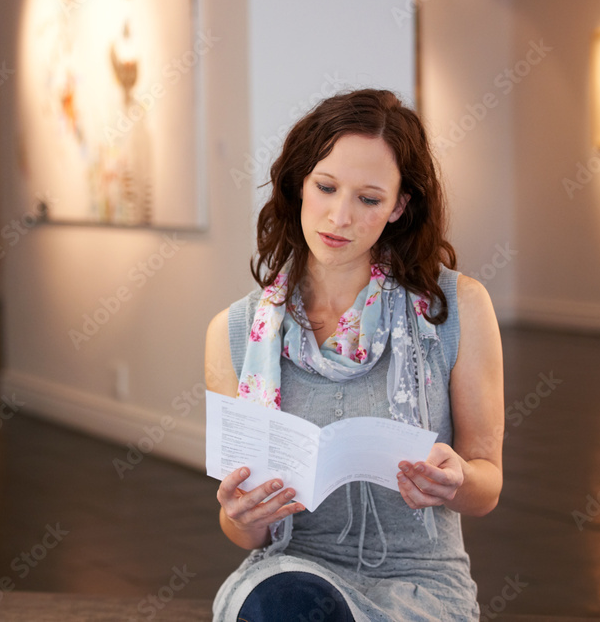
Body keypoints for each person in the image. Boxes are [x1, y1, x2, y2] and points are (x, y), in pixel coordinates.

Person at [206, 89, 503, 621]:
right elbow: (242, 534)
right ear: (300, 183)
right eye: (325, 187)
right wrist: (241, 513)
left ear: (399, 206)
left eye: (368, 199)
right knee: (287, 605)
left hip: (421, 583)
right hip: (294, 572)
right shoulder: (234, 332)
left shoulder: (458, 308)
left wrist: (457, 479)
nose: (339, 216)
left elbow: (486, 488)